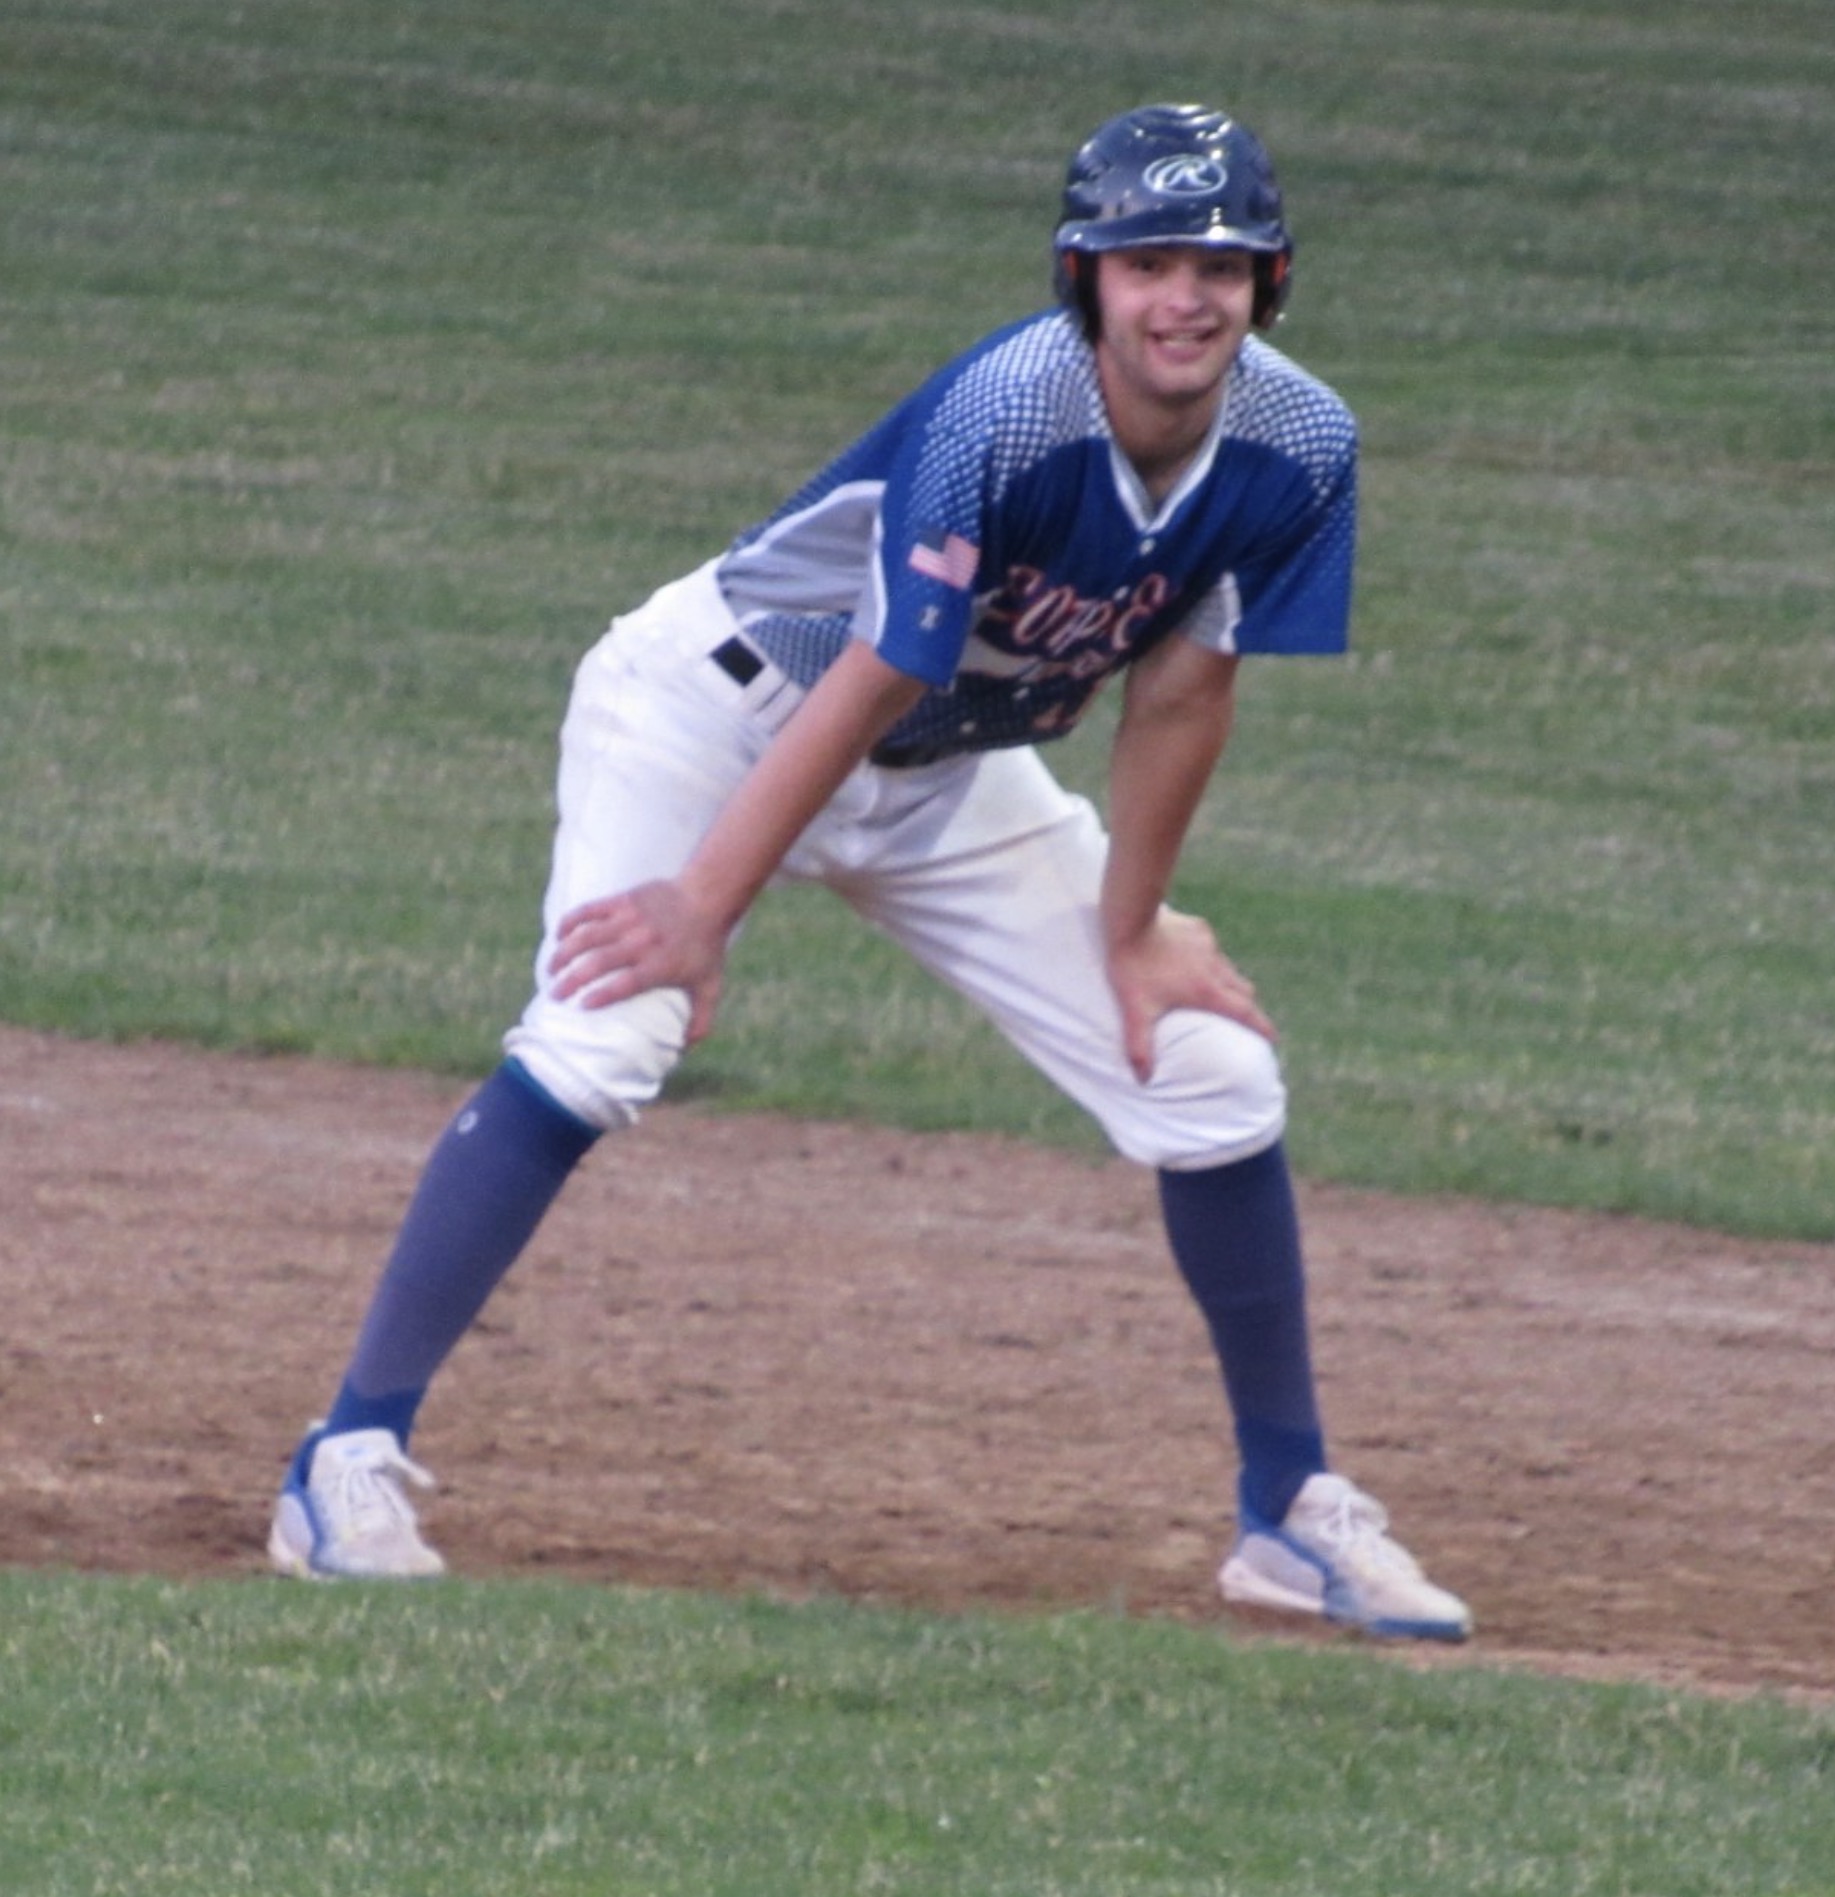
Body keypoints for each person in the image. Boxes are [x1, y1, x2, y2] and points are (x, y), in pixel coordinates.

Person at [268, 102, 1472, 1643]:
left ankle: (1288, 1510)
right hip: (722, 709)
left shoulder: (1301, 441)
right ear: (1082, 276)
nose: (1187, 294)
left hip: (945, 769)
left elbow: (1183, 686)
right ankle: (343, 1457)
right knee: (605, 1037)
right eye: (1147, 260)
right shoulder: (1009, 408)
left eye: (1222, 263)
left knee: (1207, 1067)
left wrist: (1131, 927)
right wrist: (702, 907)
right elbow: (874, 674)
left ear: (1274, 277)